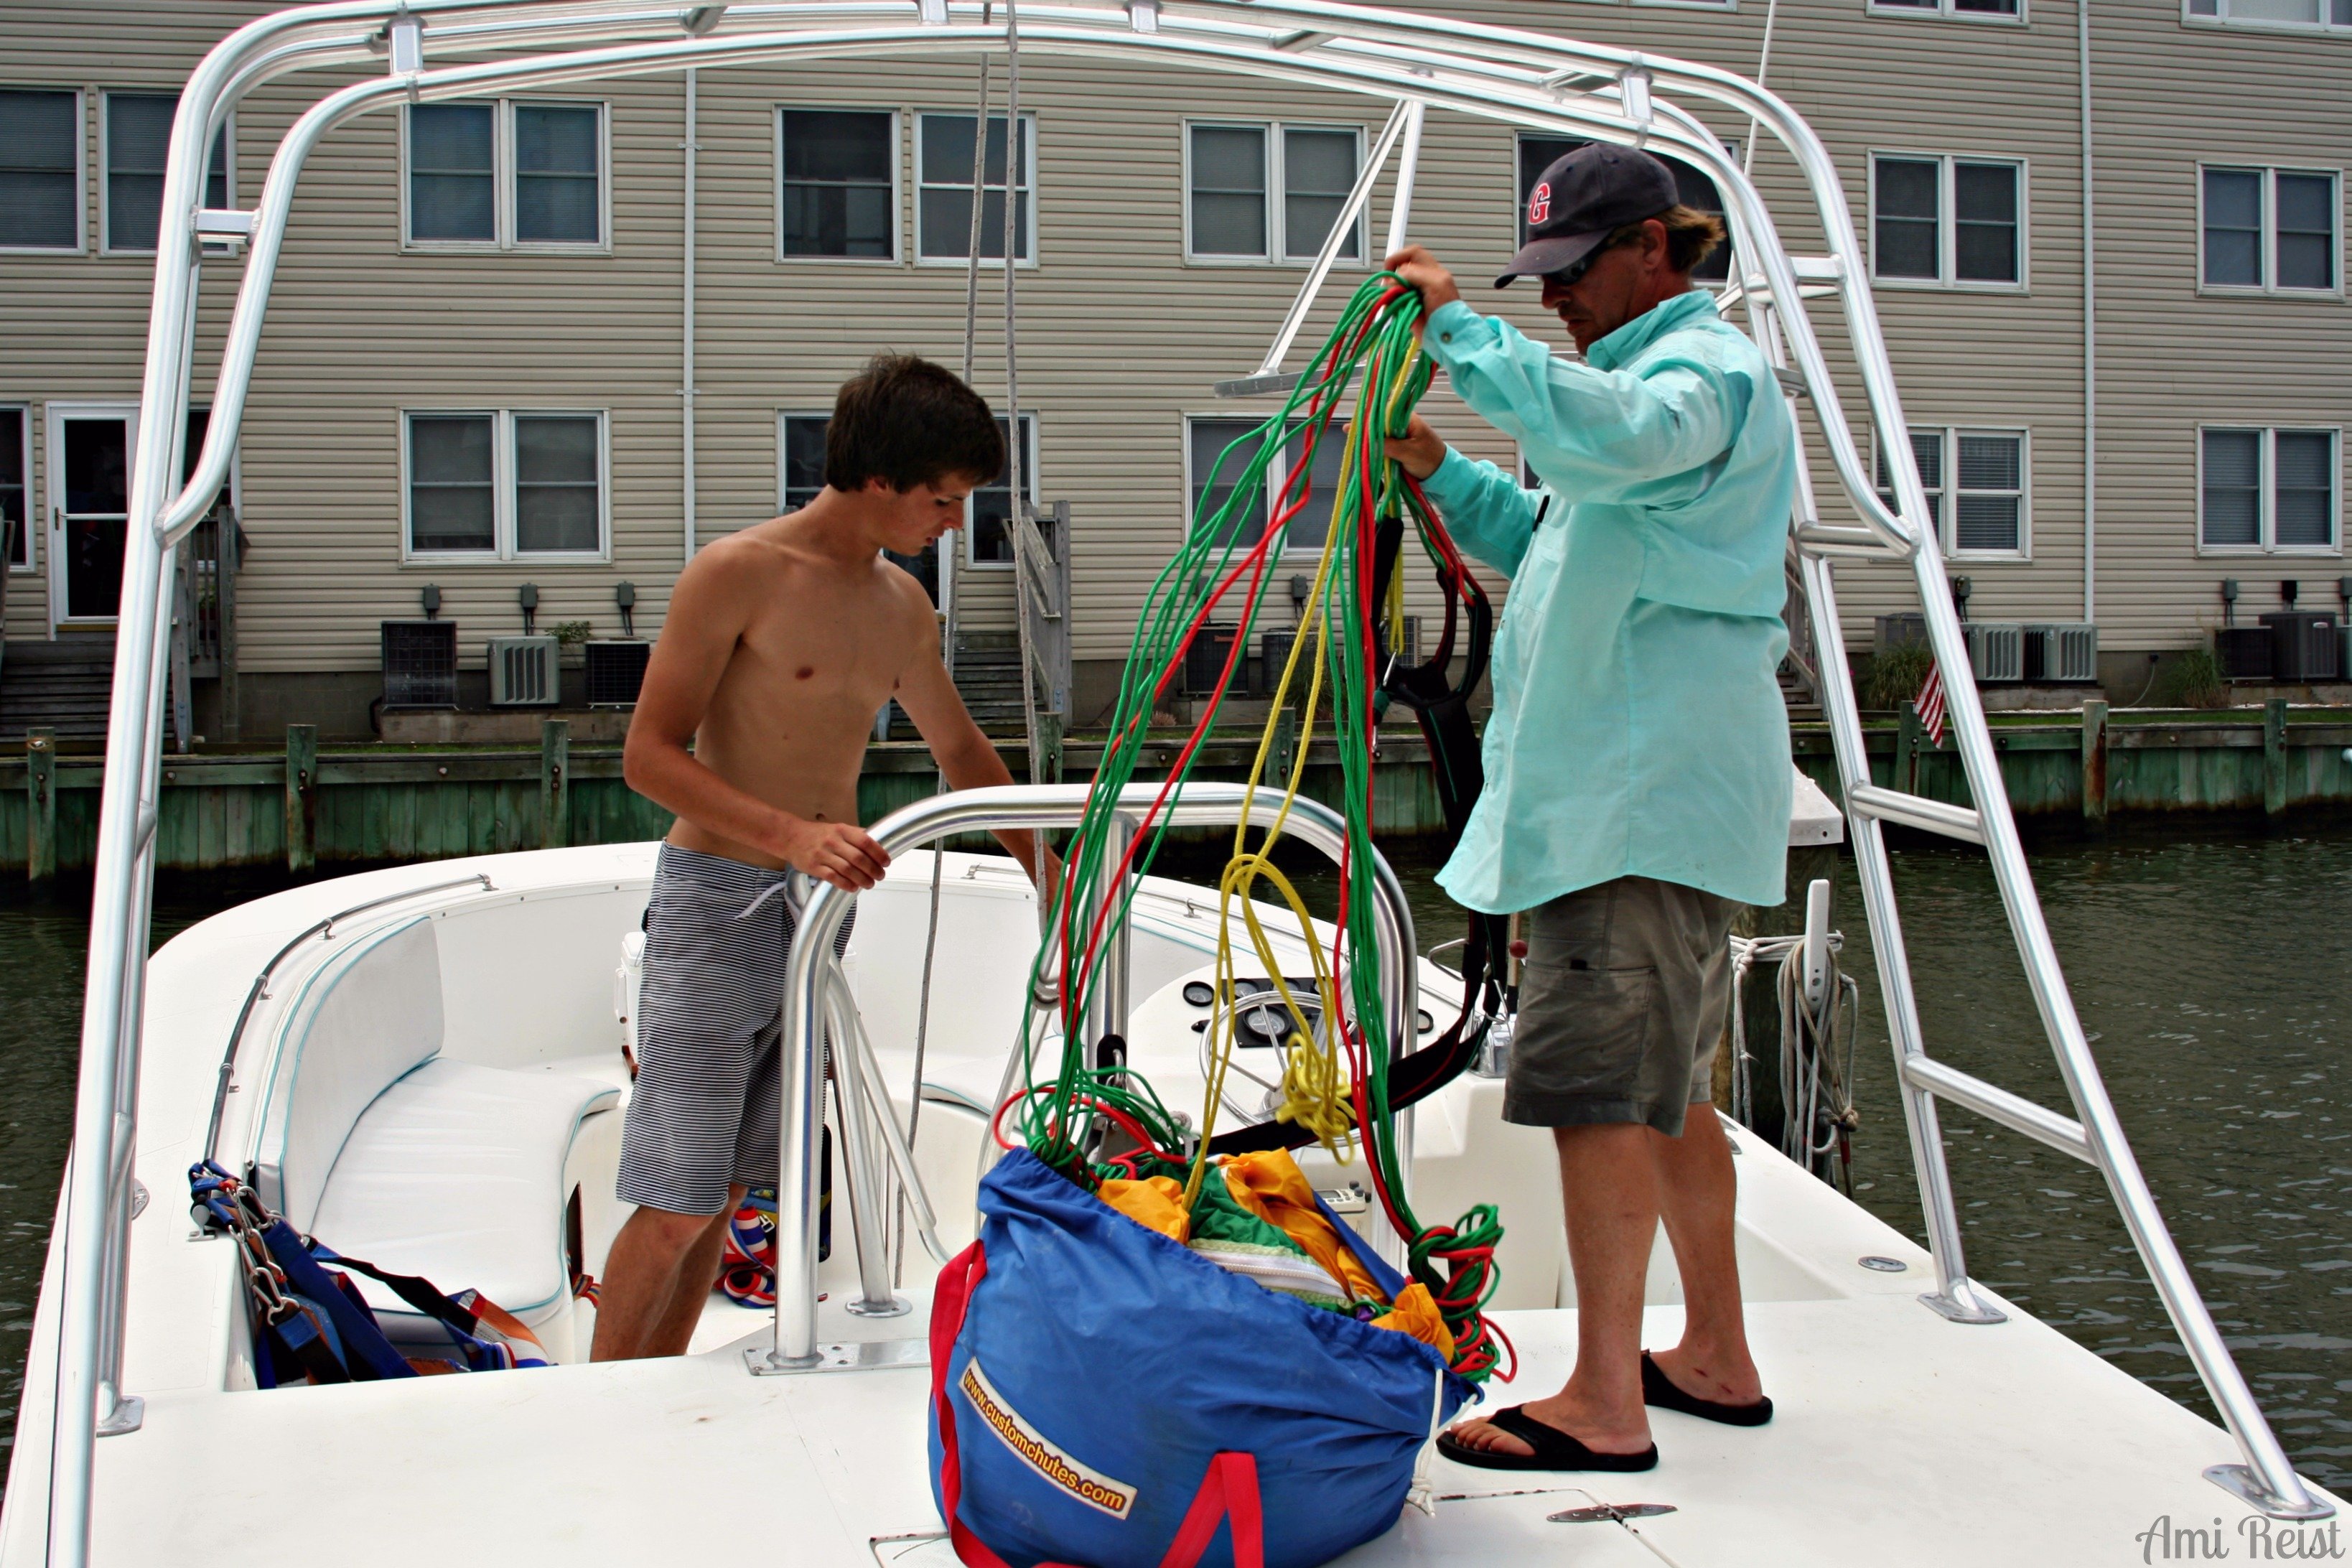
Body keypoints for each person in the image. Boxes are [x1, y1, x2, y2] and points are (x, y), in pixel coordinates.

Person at [1381, 144, 1797, 1470]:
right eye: (1537, 279)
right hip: (1632, 799)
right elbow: (1548, 528)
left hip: (1629, 805)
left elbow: (1614, 445)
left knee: (1604, 1099)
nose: (1554, 298)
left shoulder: (1696, 380)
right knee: (1666, 1096)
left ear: (1659, 254)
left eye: (1573, 272)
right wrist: (1439, 466)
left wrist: (1455, 328)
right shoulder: (1626, 390)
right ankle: (1715, 1359)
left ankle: (1605, 1407)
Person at [594, 353, 1051, 1361]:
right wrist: (792, 837)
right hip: (718, 900)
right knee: (674, 1198)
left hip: (820, 914)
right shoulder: (737, 573)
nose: (951, 522)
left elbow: (963, 755)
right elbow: (647, 757)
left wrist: (1052, 877)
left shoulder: (902, 607)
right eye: (942, 500)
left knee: (721, 1193)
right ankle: (593, 1411)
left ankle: (656, 1391)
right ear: (879, 480)